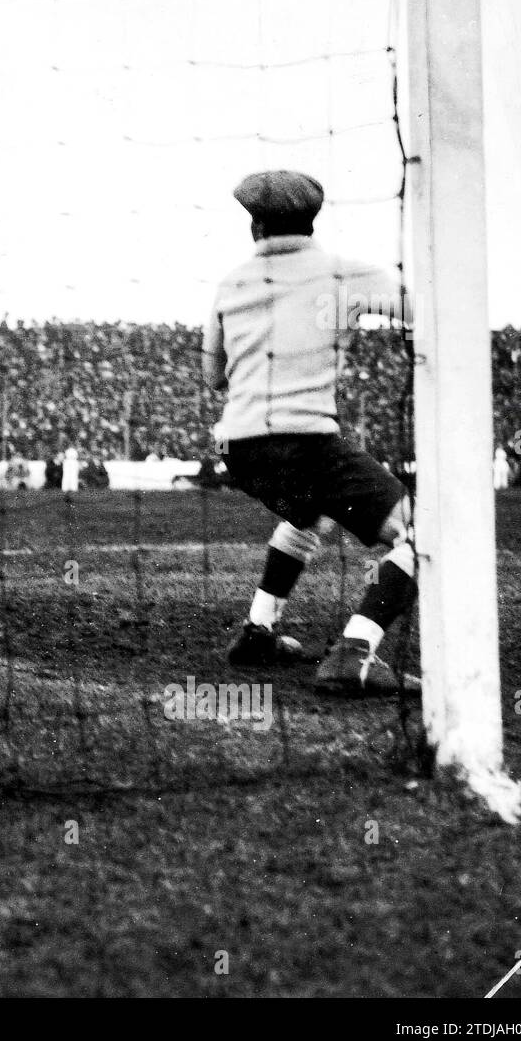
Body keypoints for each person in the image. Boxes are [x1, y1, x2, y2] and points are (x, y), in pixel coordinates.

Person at [203, 170, 416, 696]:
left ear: (255, 224)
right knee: (424, 534)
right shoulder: (345, 274)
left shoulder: (231, 283)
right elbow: (416, 310)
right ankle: (355, 651)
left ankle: (258, 631)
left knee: (306, 516)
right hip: (305, 439)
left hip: (239, 447)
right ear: (311, 221)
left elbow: (212, 377)